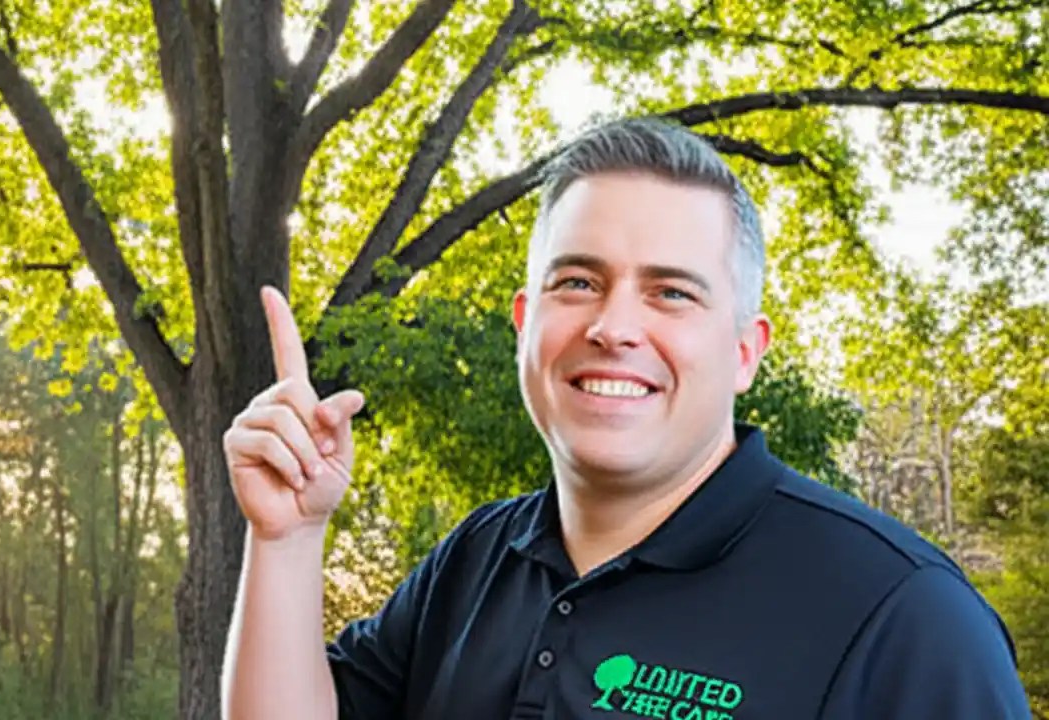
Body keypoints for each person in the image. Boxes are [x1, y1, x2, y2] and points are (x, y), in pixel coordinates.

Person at [220, 117, 1032, 719]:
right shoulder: (470, 567)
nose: (613, 326)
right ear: (524, 322)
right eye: (577, 282)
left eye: (671, 292)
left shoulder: (903, 615)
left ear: (746, 352)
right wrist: (285, 542)